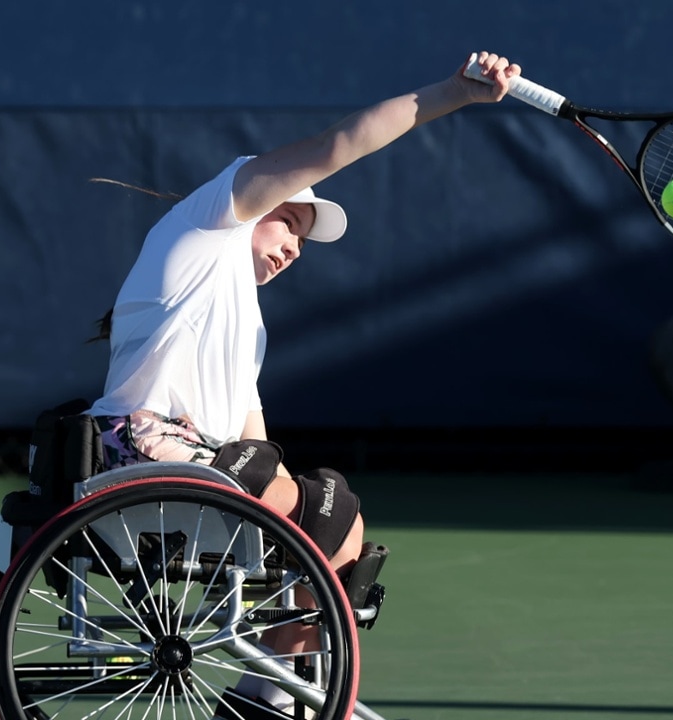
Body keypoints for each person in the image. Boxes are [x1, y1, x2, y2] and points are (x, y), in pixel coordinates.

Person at [87, 50, 522, 719]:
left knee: (336, 516)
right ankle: (291, 696)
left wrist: (293, 504)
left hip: (195, 459)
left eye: (302, 240)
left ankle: (278, 692)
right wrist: (454, 94)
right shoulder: (209, 223)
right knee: (328, 516)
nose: (294, 247)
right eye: (288, 223)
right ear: (250, 202)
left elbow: (254, 443)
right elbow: (339, 144)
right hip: (145, 449)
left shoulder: (234, 320)